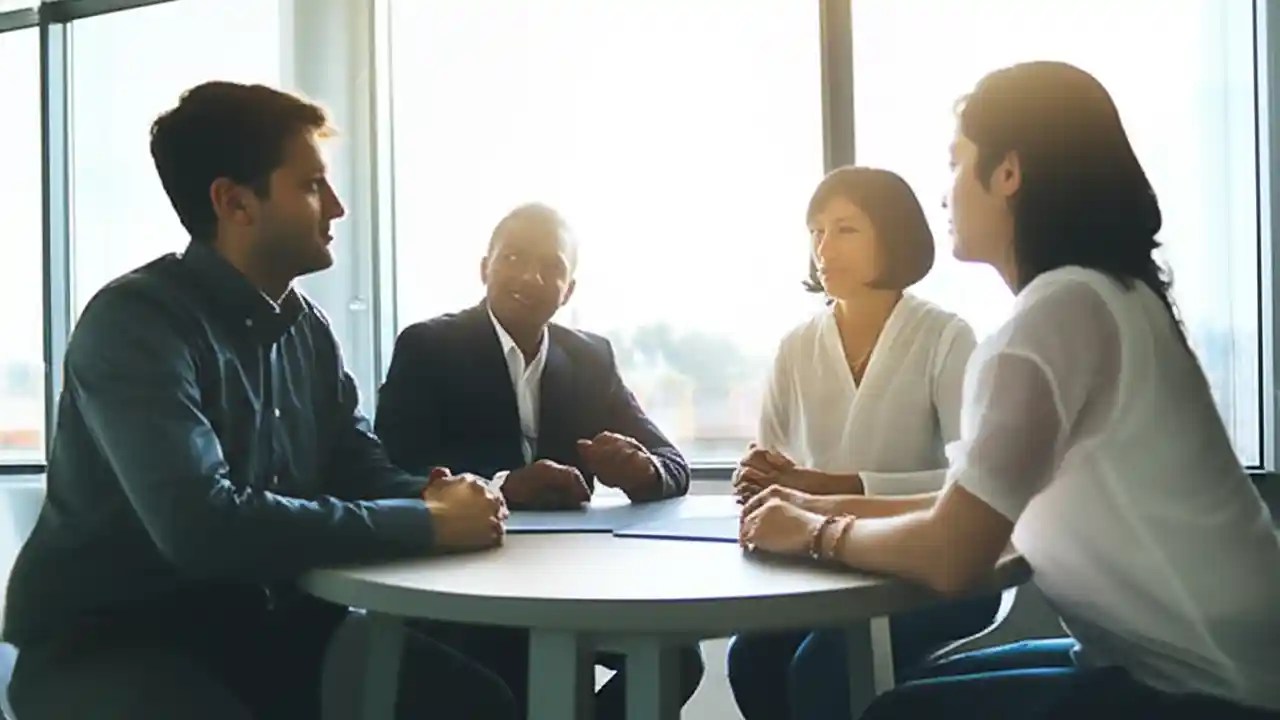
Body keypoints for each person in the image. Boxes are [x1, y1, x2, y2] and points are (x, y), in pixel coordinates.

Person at [739, 61, 1280, 719]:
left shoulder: (1054, 316)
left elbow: (953, 554)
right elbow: (970, 508)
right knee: (879, 696)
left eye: (956, 163)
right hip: (1207, 659)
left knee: (888, 713)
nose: (945, 195)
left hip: (1208, 688)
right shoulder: (1112, 295)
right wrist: (801, 503)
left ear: (1008, 173)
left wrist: (817, 531)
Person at [2, 81, 516, 720]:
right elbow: (203, 527)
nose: (337, 207)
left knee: (477, 704)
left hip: (267, 628)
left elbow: (359, 470)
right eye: (311, 186)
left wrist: (460, 495)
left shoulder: (309, 328)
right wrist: (428, 522)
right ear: (234, 203)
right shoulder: (134, 323)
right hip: (118, 642)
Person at [375, 202, 703, 718]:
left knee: (677, 659)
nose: (530, 275)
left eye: (552, 267)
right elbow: (394, 468)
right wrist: (504, 486)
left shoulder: (592, 357)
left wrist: (642, 472)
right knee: (507, 673)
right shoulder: (428, 347)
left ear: (569, 289)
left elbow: (672, 465)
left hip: (572, 578)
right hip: (465, 581)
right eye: (513, 258)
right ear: (485, 268)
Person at [725, 166, 999, 720]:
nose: (825, 247)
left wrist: (834, 487)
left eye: (846, 229)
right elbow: (776, 472)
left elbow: (976, 487)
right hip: (824, 563)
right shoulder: (796, 347)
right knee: (750, 658)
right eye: (816, 231)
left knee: (826, 662)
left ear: (893, 235)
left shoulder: (947, 337)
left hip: (927, 564)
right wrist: (758, 479)